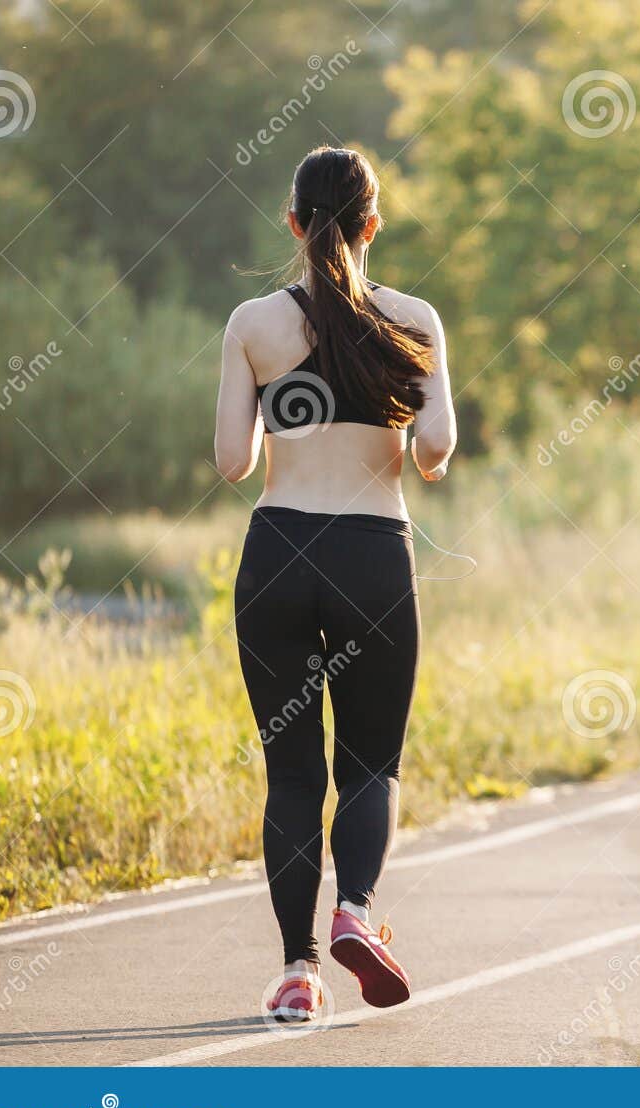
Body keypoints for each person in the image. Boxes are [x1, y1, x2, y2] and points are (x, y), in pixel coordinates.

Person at [213, 146, 456, 1022]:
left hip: (277, 553)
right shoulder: (414, 319)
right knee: (369, 764)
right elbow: (434, 451)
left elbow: (232, 461)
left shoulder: (253, 322)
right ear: (372, 224)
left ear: (293, 223)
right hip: (372, 557)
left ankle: (295, 970)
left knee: (290, 775)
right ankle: (356, 912)